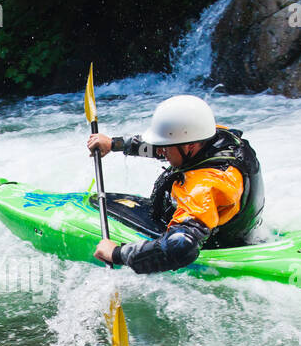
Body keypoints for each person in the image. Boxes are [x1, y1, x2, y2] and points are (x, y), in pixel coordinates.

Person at [87, 95, 264, 272]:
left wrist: (118, 253)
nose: (161, 151)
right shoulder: (214, 137)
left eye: (166, 147)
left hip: (215, 244)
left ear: (190, 146)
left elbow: (181, 247)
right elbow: (168, 145)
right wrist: (115, 144)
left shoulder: (203, 188)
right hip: (235, 230)